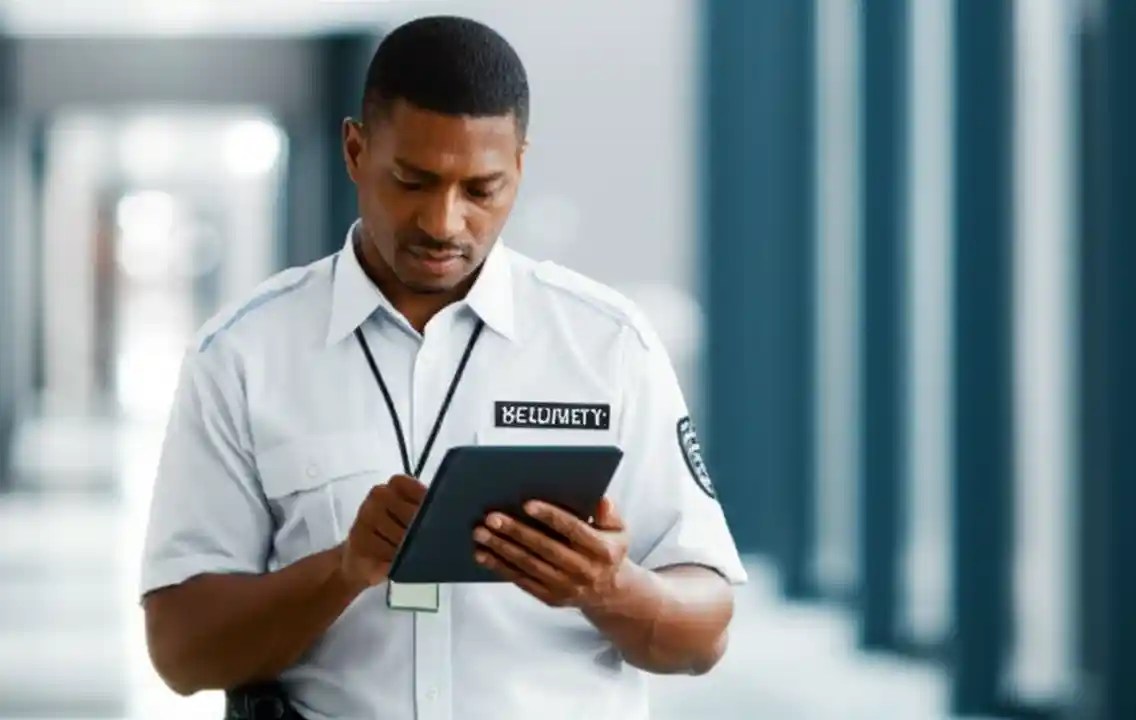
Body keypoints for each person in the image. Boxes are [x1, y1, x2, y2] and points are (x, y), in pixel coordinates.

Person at [139, 14, 747, 720]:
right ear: (355, 150)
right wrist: (340, 572)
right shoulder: (242, 356)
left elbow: (706, 631)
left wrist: (608, 587)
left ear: (520, 165)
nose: (443, 222)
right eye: (412, 181)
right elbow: (180, 653)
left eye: (481, 190)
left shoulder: (607, 346)